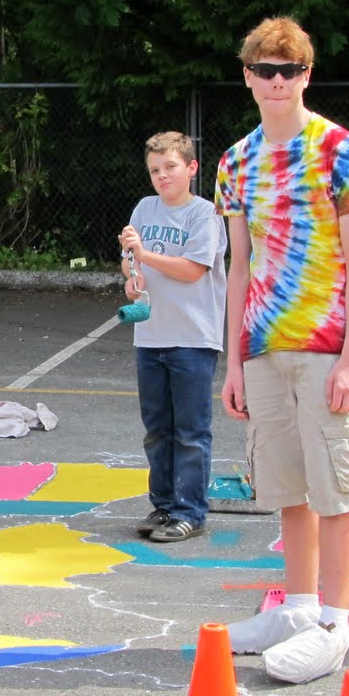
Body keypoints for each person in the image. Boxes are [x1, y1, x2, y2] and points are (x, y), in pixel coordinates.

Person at [215, 17, 349, 685]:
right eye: (264, 70)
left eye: (289, 70)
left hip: (325, 344)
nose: (276, 81)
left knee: (337, 484)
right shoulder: (235, 160)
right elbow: (238, 264)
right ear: (248, 76)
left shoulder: (339, 149)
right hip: (262, 346)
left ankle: (335, 621)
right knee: (287, 483)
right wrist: (233, 360)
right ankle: (299, 607)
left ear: (306, 75)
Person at [120, 131, 227, 544]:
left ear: (191, 168)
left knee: (191, 431)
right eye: (154, 170)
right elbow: (130, 262)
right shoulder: (145, 208)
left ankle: (190, 512)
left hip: (192, 337)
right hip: (151, 335)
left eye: (170, 167)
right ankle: (163, 504)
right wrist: (132, 276)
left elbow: (192, 269)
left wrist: (144, 256)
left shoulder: (204, 215)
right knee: (157, 429)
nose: (161, 176)